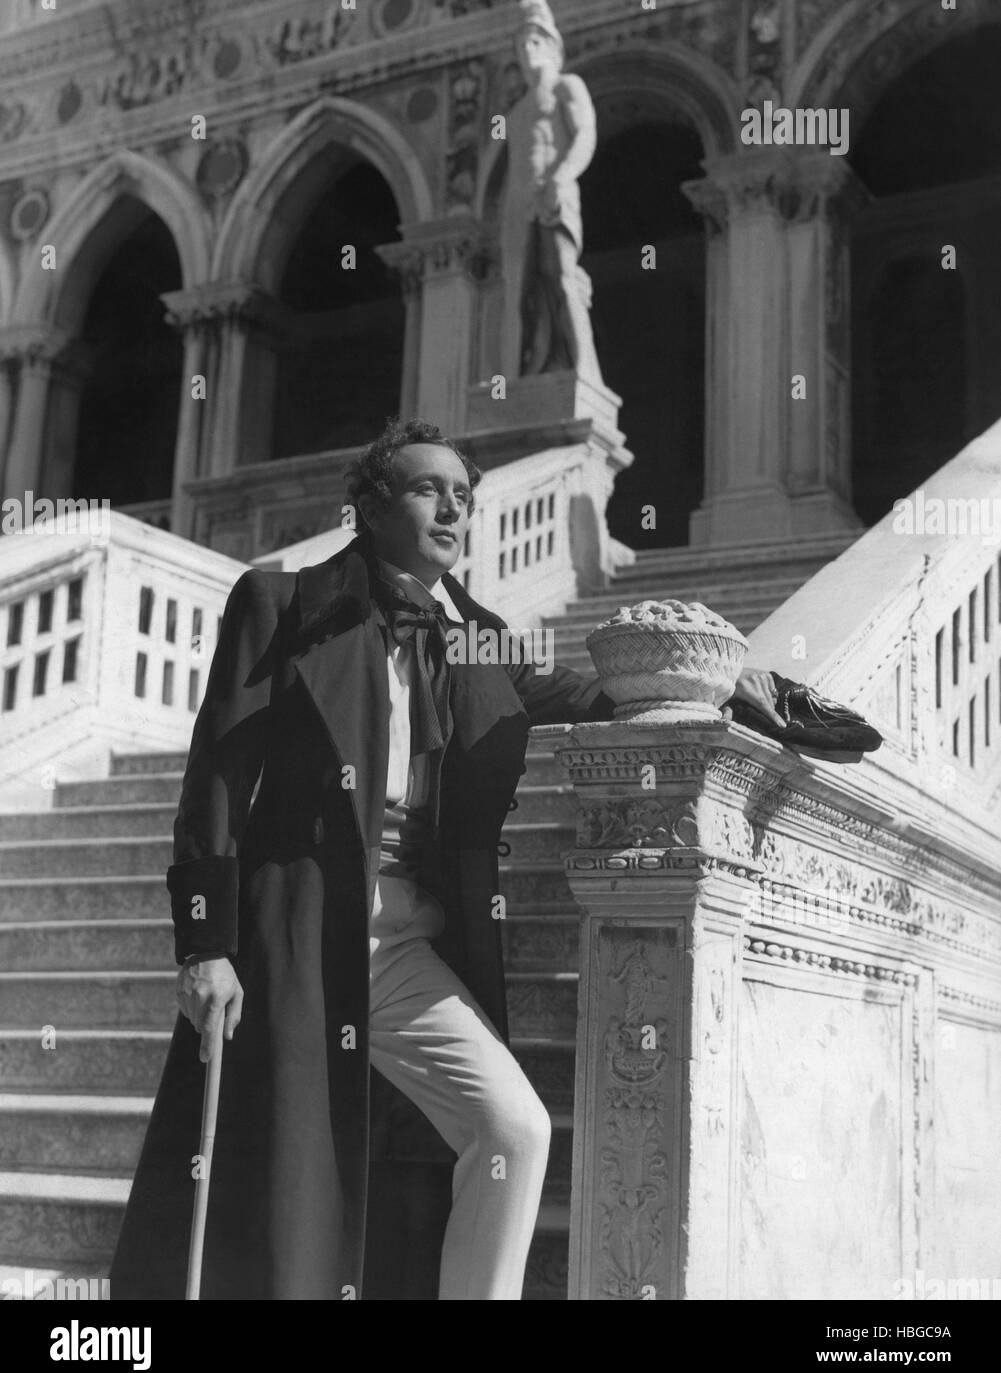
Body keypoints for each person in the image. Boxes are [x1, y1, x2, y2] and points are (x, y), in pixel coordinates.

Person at [110, 417, 783, 1301]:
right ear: (369, 507)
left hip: (405, 944)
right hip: (298, 932)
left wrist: (717, 681)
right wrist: (204, 943)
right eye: (430, 489)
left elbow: (576, 692)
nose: (454, 508)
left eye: (464, 495)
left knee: (512, 1130)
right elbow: (219, 775)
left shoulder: (471, 632)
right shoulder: (278, 604)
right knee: (287, 1188)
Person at [500, 0, 603, 381]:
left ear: (551, 46)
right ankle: (524, 374)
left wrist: (562, 177)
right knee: (521, 294)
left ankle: (584, 371)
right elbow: (514, 168)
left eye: (535, 42)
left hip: (555, 192)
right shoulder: (516, 112)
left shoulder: (566, 86)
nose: (527, 51)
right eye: (522, 45)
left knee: (561, 276)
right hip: (519, 204)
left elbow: (585, 135)